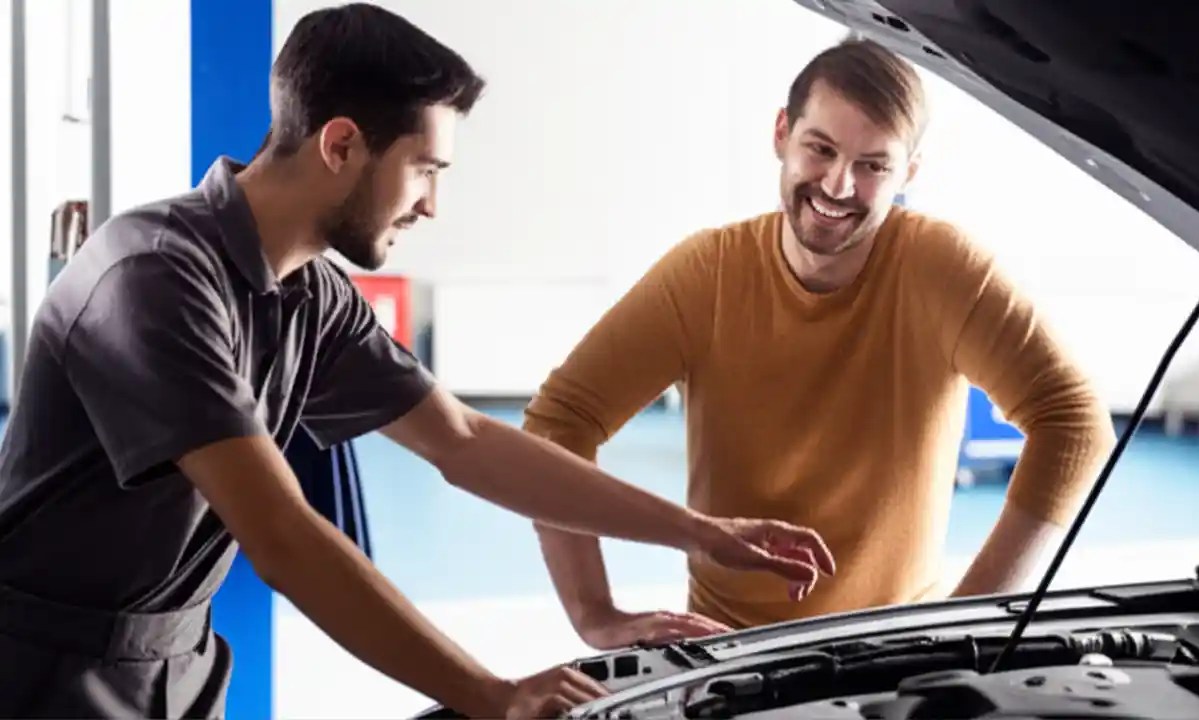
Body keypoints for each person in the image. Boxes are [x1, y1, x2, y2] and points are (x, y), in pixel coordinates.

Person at [0, 4, 838, 718]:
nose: (434, 202)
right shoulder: (153, 277)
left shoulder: (308, 295)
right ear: (340, 145)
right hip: (40, 674)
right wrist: (490, 695)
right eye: (425, 168)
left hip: (176, 665)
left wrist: (701, 535)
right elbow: (284, 537)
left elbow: (465, 441)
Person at [526, 37, 1117, 650]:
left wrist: (966, 618)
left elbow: (1074, 424)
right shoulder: (709, 273)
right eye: (821, 149)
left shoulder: (940, 268)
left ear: (908, 172)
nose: (838, 184)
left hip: (896, 649)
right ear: (782, 134)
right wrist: (593, 613)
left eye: (873, 165)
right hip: (725, 648)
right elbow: (559, 422)